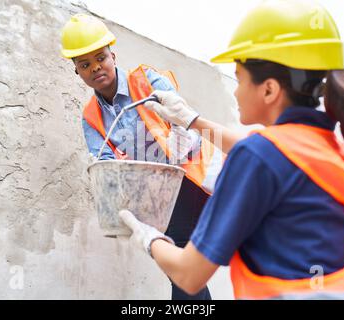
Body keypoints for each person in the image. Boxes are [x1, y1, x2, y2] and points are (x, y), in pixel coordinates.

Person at [119, 0, 344, 299]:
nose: (235, 90)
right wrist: (192, 120)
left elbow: (189, 274)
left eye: (239, 78)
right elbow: (269, 154)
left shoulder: (260, 156)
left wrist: (150, 238)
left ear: (269, 89)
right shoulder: (330, 150)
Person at [60, 14, 223, 300]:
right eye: (85, 64)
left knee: (181, 266)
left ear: (113, 55)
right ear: (77, 72)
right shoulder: (91, 117)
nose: (96, 67)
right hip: (157, 193)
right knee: (183, 269)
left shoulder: (147, 80)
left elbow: (181, 120)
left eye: (101, 58)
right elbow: (105, 164)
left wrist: (180, 130)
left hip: (187, 178)